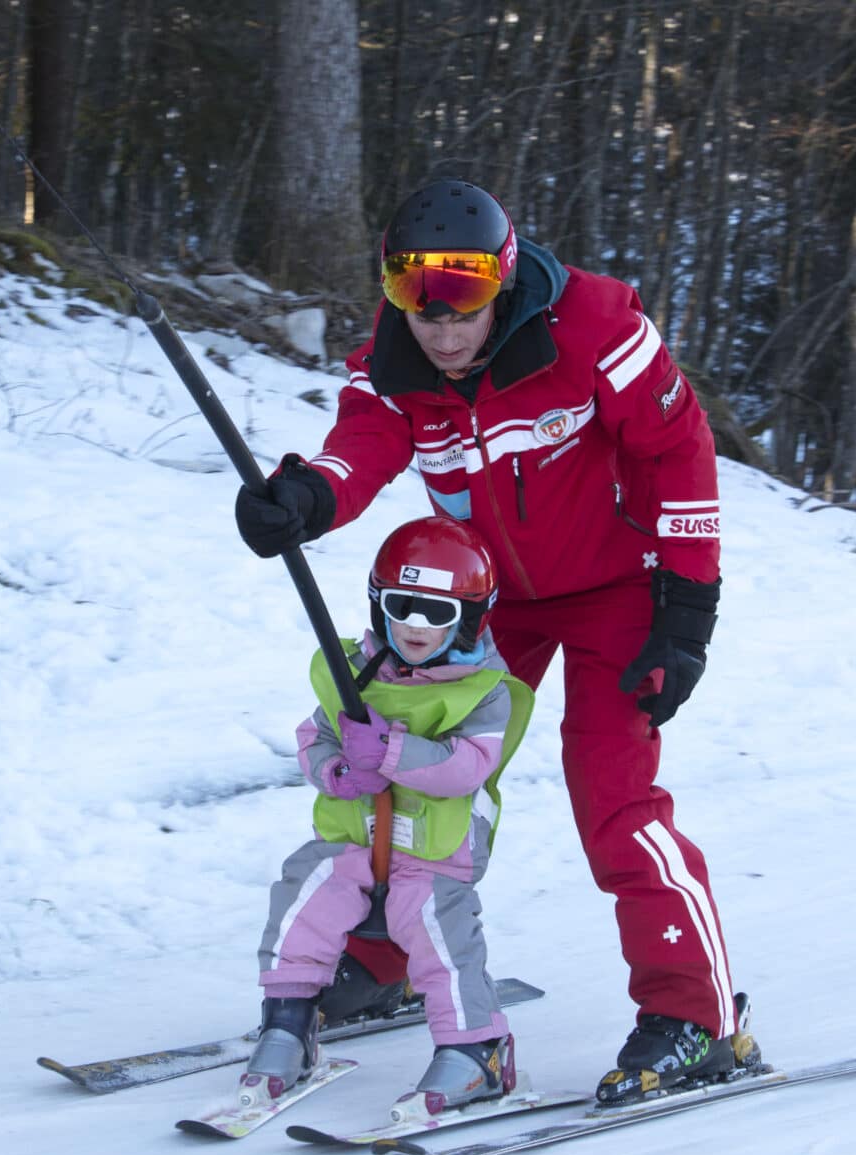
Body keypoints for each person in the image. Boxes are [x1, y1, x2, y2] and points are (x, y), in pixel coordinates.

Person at [234, 179, 747, 1106]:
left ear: (503, 279)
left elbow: (682, 449)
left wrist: (689, 610)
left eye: (462, 290)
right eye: (410, 291)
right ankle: (386, 951)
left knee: (613, 797)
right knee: (407, 762)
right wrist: (304, 499)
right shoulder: (397, 365)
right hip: (490, 603)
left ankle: (695, 1012)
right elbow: (360, 448)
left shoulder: (597, 331)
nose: (438, 320)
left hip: (622, 593)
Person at [239, 517, 534, 1118]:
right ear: (379, 605)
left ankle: (478, 1049)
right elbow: (314, 735)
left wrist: (393, 753)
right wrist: (337, 771)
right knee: (304, 890)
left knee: (432, 922)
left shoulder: (484, 692)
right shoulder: (352, 674)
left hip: (434, 851)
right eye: (402, 607)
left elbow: (468, 767)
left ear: (472, 617)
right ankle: (290, 1022)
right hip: (355, 838)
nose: (415, 627)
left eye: (436, 613)